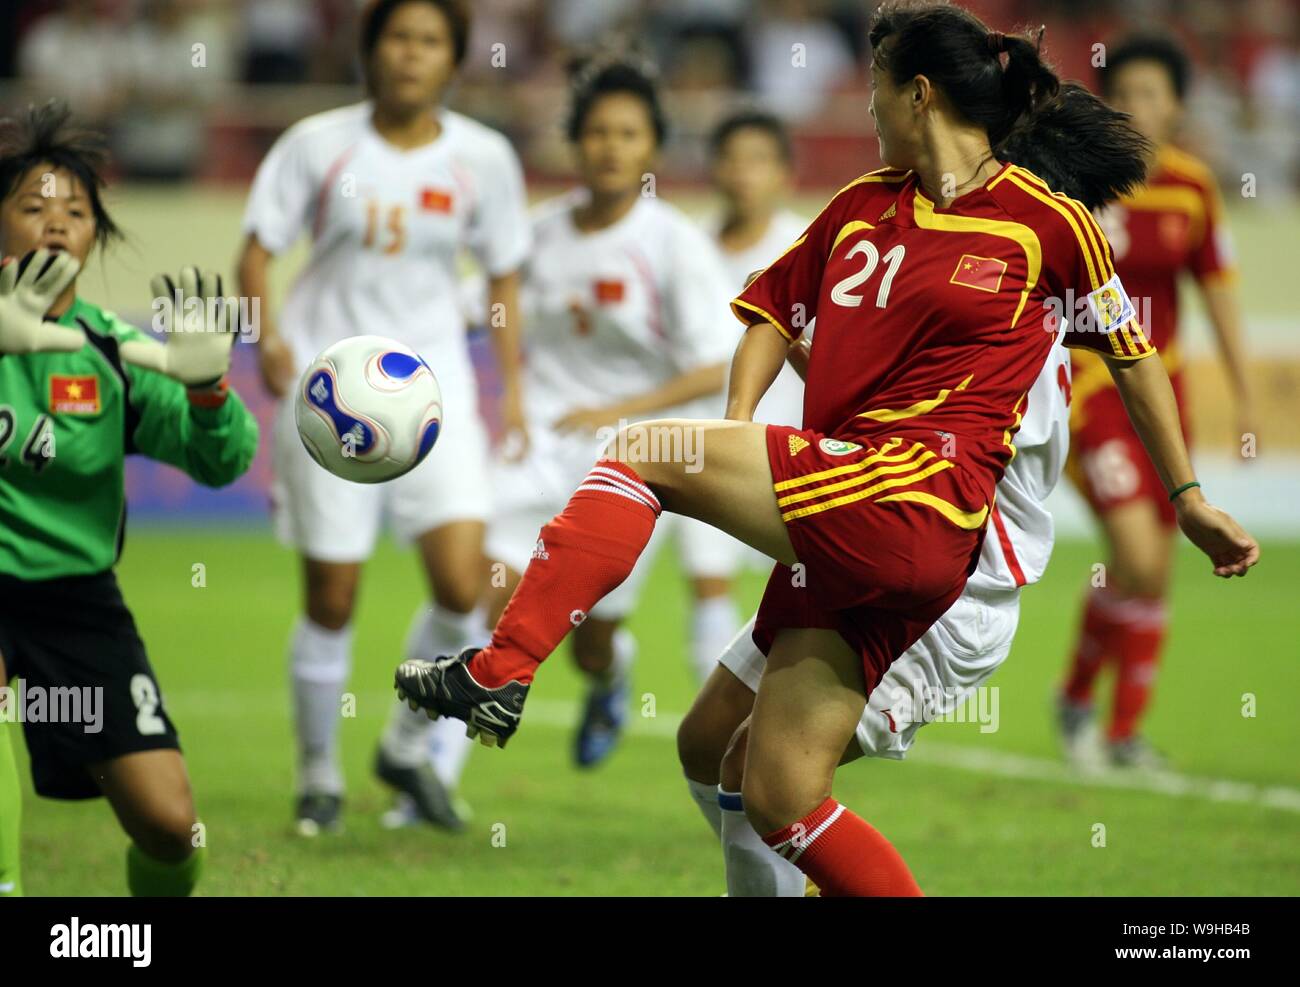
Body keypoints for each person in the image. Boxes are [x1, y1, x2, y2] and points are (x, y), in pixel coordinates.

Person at [396, 2, 1257, 897]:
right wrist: (739, 422)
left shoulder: (1046, 232)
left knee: (644, 452)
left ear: (917, 94)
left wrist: (1188, 495)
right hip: (852, 502)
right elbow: (773, 310)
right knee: (749, 773)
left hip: (940, 534)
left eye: (878, 91)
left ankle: (502, 669)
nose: (867, 112)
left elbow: (1132, 352)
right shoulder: (861, 208)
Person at [676, 92, 1106, 895]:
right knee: (705, 740)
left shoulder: (1019, 332)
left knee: (766, 777)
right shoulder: (962, 299)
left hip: (947, 590)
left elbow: (941, 445)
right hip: (864, 548)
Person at [236, 0, 530, 835]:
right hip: (331, 400)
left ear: (454, 59)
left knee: (463, 585)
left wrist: (508, 388)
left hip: (434, 402)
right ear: (369, 52)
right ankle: (318, 776)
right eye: (397, 36)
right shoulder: (316, 145)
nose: (412, 53)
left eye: (430, 40)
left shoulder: (486, 157)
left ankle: (403, 745)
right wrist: (269, 340)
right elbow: (257, 247)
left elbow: (503, 275)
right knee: (332, 595)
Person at [0, 102, 256, 896]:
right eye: (33, 207)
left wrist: (212, 389)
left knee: (171, 825)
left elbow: (220, 464)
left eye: (75, 211)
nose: (55, 224)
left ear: (95, 236)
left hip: (76, 603)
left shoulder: (113, 350)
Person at [480, 55, 734, 768]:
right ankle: (422, 774)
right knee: (486, 594)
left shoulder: (673, 243)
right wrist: (513, 397)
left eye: (628, 133)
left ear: (651, 146)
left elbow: (714, 363)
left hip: (629, 457)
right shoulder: (537, 233)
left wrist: (614, 411)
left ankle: (611, 671)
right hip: (536, 446)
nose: (611, 147)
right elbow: (487, 307)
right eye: (596, 132)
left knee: (587, 634)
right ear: (576, 142)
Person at [1057, 33, 1251, 769]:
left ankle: (1115, 728)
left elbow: (1220, 293)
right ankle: (1085, 708)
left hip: (1163, 398)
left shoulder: (1193, 188)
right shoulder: (1080, 181)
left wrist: (1243, 394)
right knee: (1135, 551)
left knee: (1151, 569)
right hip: (1091, 395)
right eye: (1125, 93)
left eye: (1150, 95)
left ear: (1176, 106)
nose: (1135, 106)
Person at [668, 109, 812, 686]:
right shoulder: (687, 245)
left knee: (810, 593)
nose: (743, 173)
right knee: (709, 579)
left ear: (785, 175)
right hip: (714, 438)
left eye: (759, 160)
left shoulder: (809, 246)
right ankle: (716, 719)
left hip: (800, 446)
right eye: (731, 159)